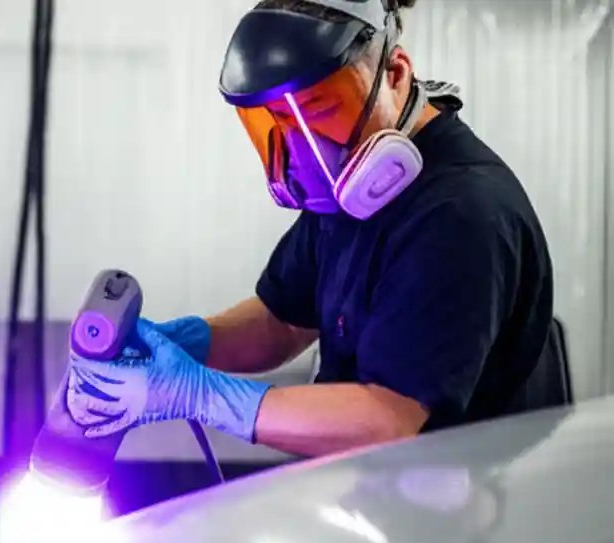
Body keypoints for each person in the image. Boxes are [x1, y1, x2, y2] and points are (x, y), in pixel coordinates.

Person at [67, 0, 554, 458]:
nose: (304, 146)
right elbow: (284, 320)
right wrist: (187, 343)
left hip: (450, 518)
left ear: (395, 73)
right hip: (361, 498)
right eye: (281, 120)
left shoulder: (460, 215)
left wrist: (201, 394)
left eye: (319, 110)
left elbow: (388, 421)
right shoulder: (351, 183)